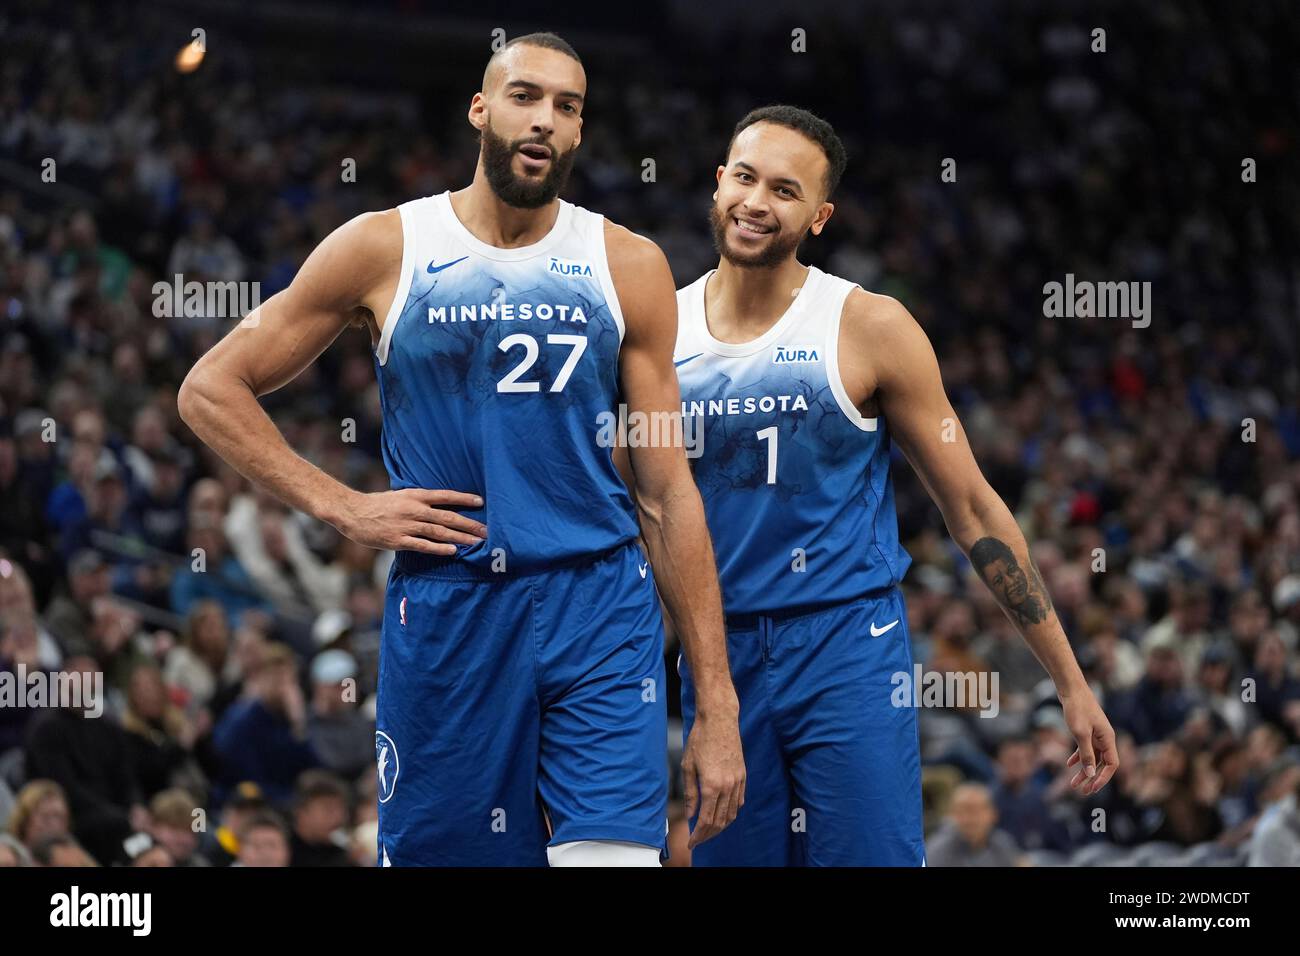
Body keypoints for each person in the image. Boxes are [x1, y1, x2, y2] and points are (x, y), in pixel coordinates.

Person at [178, 32, 743, 866]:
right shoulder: (385, 246)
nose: (545, 119)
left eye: (567, 106)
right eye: (525, 96)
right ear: (480, 108)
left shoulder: (629, 264)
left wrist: (716, 702)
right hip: (453, 602)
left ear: (581, 131)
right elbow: (208, 388)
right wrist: (340, 504)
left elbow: (666, 493)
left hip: (600, 608)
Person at [635, 105, 1116, 865]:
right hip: (718, 656)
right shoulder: (658, 330)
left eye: (786, 191)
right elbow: (644, 509)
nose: (758, 202)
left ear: (819, 216)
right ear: (718, 181)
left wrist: (1070, 678)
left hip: (848, 645)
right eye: (747, 178)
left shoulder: (871, 326)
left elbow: (972, 507)